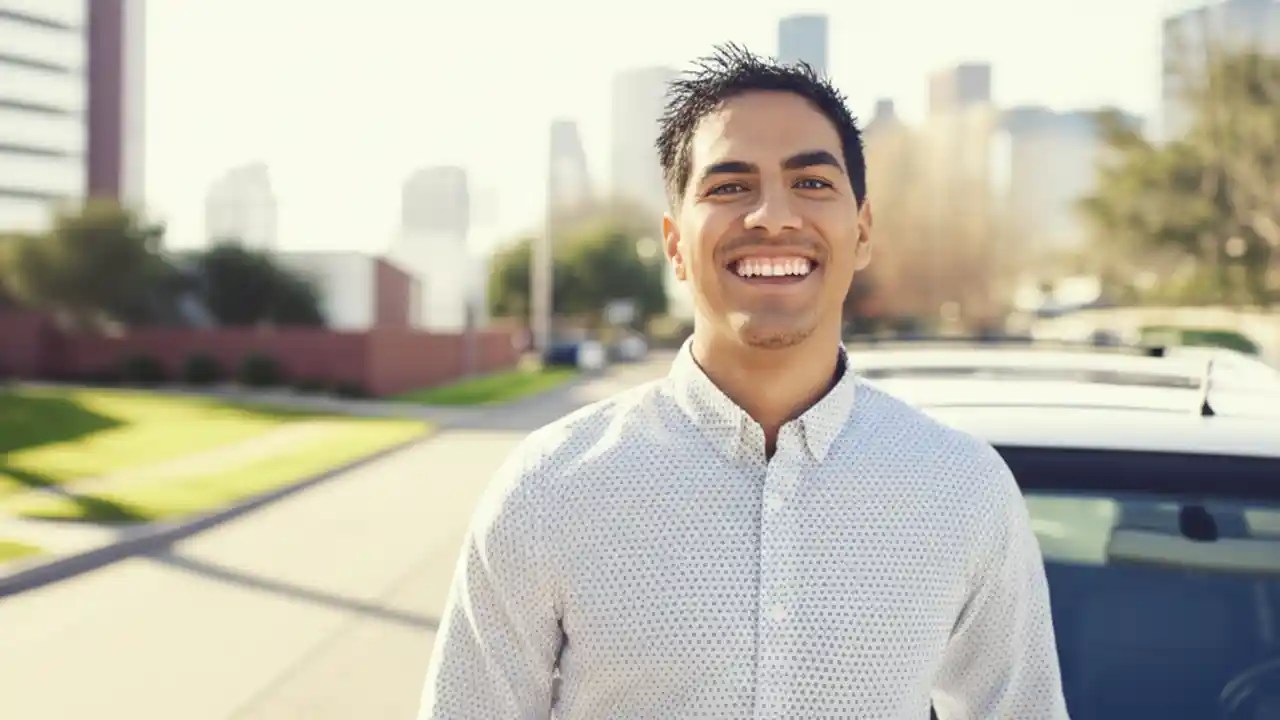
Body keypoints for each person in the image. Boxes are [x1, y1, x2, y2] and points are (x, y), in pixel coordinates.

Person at [418, 44, 1069, 719]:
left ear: (863, 230)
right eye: (730, 186)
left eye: (812, 182)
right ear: (674, 243)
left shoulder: (963, 489)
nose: (772, 217)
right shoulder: (549, 488)